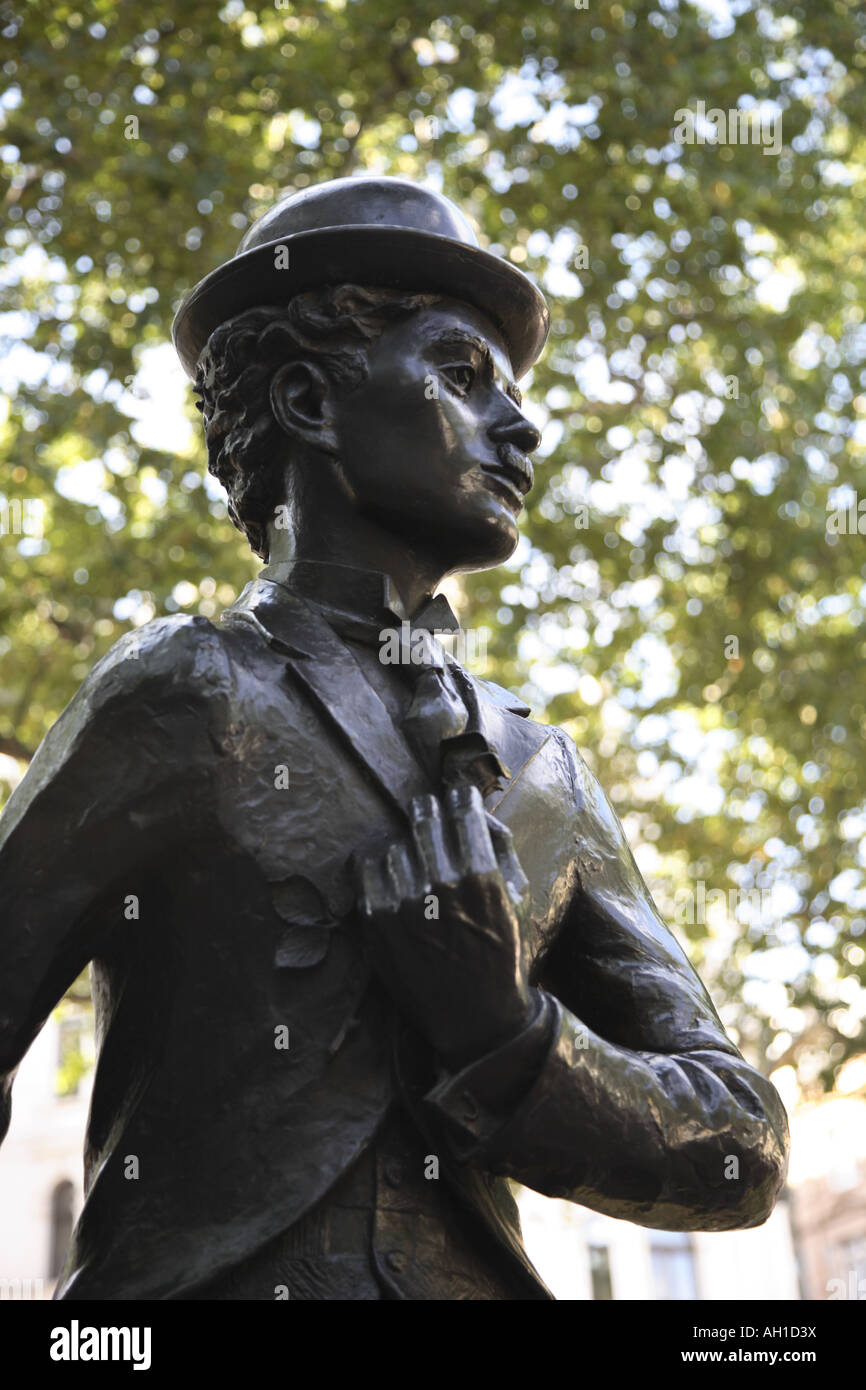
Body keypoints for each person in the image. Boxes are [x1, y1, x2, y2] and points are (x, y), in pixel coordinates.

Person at [0, 176, 789, 1300]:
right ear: (311, 404)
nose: (520, 427)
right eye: (462, 377)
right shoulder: (182, 694)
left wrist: (505, 1034)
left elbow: (739, 1147)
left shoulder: (541, 770)